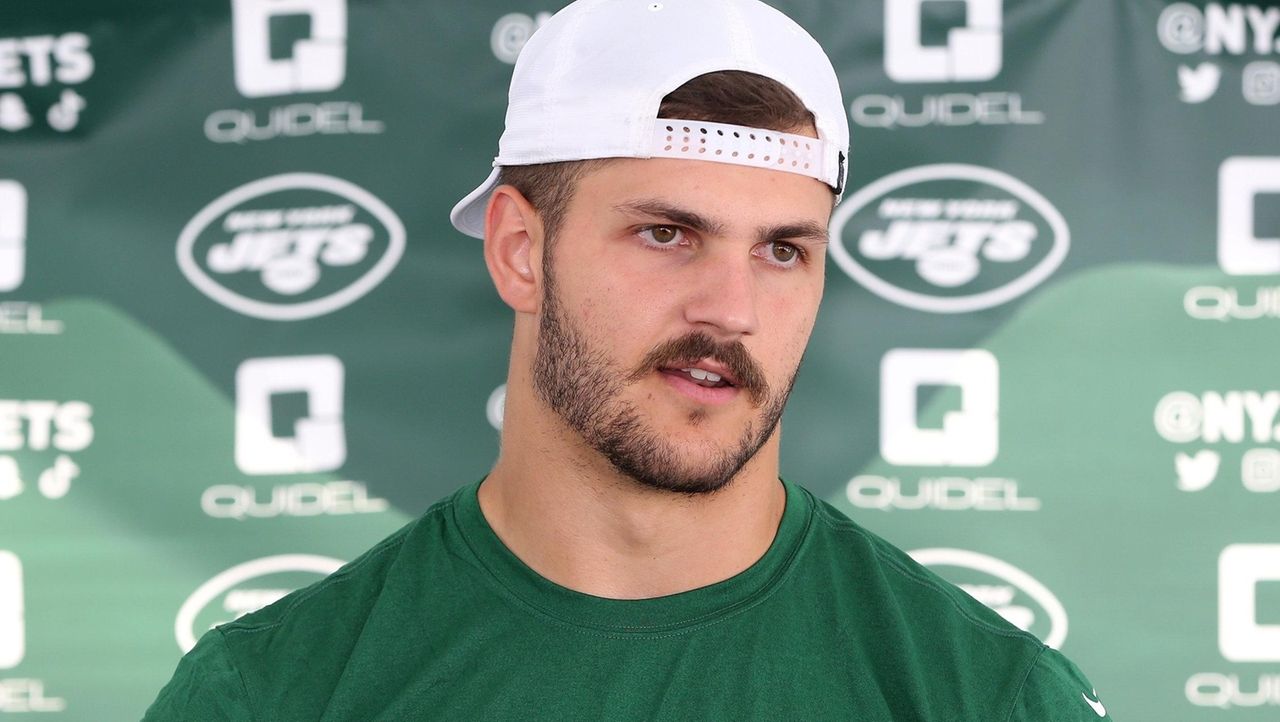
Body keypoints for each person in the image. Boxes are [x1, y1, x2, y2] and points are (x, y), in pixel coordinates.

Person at [146, 0, 1113, 719]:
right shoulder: (273, 693)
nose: (729, 310)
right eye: (665, 234)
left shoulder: (989, 696)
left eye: (784, 250)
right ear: (521, 251)